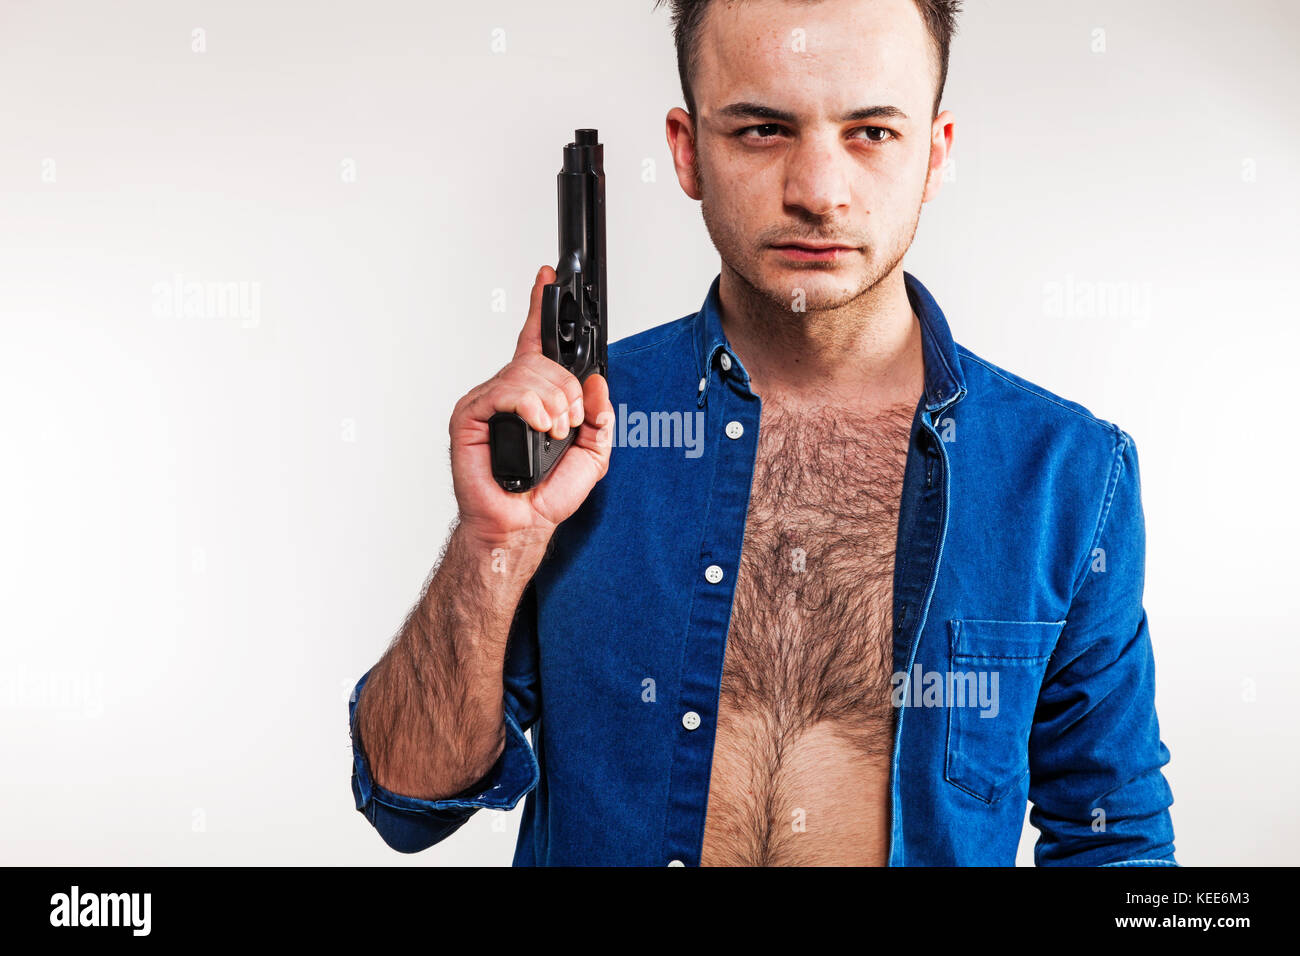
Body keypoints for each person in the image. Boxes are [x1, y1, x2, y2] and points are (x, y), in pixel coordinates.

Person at [346, 0, 1177, 866]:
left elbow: (1115, 843)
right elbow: (409, 798)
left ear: (934, 153)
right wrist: (496, 542)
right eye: (762, 130)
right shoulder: (584, 429)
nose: (818, 191)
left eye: (872, 134)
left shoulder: (1071, 476)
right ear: (687, 149)